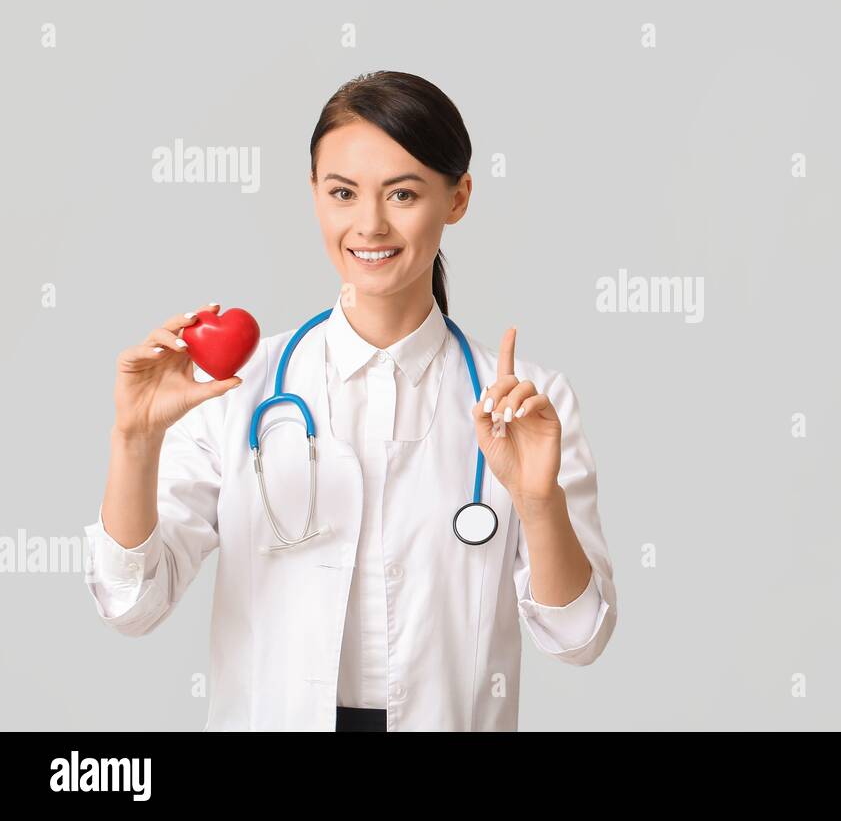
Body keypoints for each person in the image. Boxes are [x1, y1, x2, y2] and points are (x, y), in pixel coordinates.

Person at [84, 71, 616, 731]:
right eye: (343, 193)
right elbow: (132, 602)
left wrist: (538, 503)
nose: (369, 224)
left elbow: (580, 637)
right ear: (314, 196)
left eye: (403, 193)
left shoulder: (527, 406)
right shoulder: (240, 389)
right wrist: (134, 440)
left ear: (458, 199)